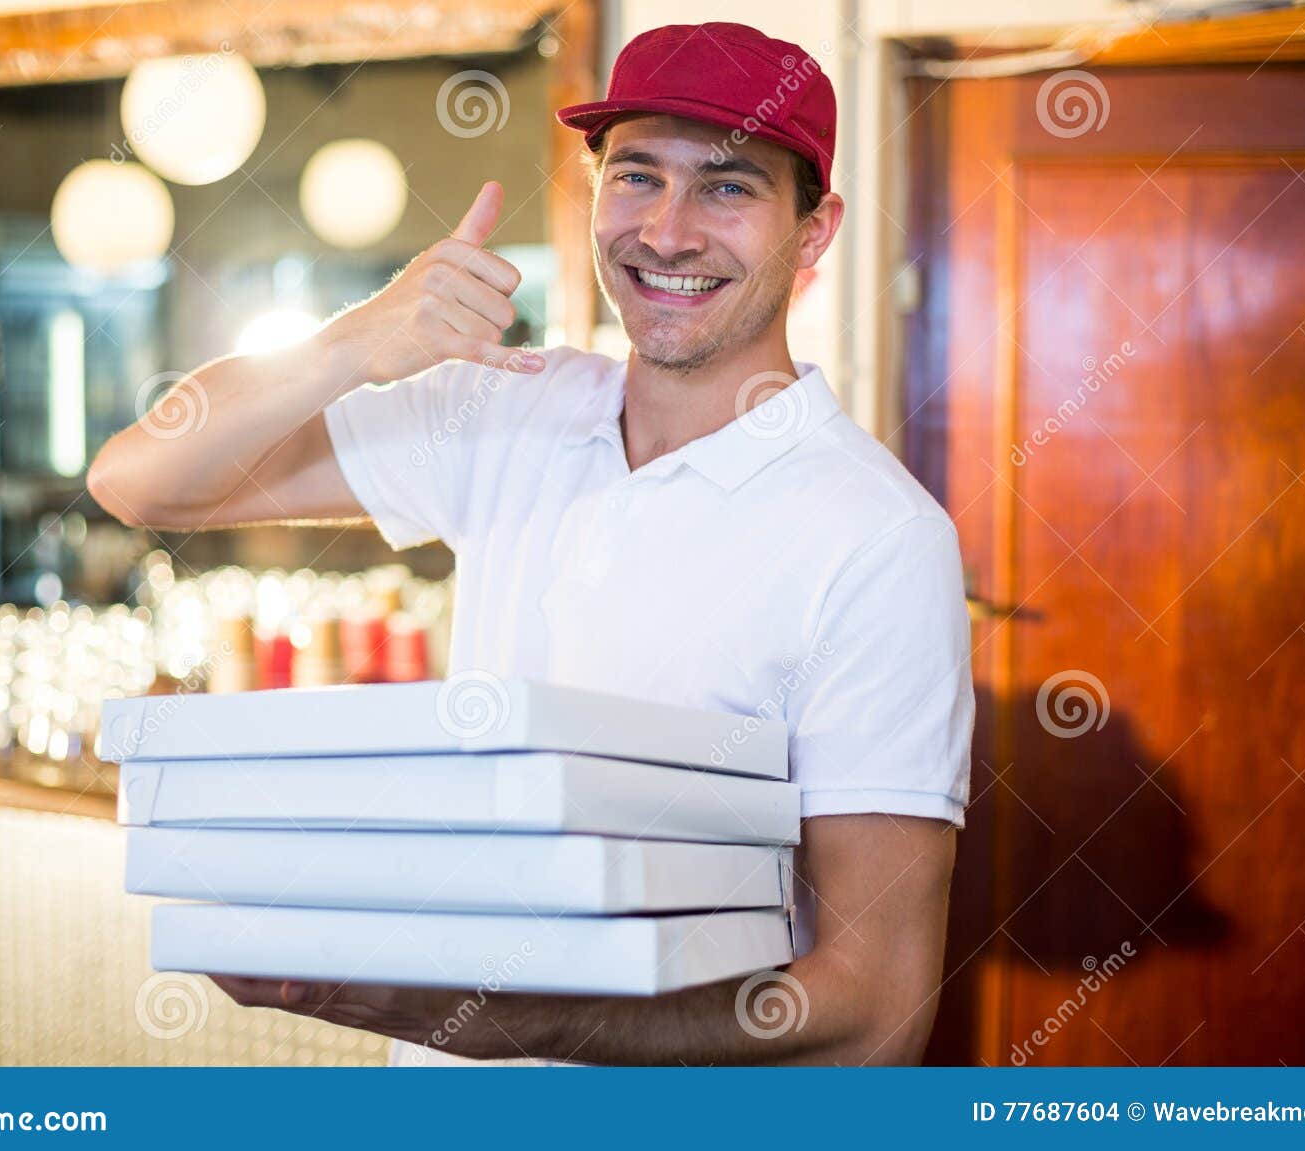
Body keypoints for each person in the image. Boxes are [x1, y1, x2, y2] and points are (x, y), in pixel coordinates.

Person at [89, 21, 973, 1065]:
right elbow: (142, 478)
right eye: (636, 176)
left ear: (813, 232)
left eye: (727, 187)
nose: (669, 231)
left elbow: (875, 1001)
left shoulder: (877, 537)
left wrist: (515, 1023)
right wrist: (352, 342)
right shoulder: (508, 409)